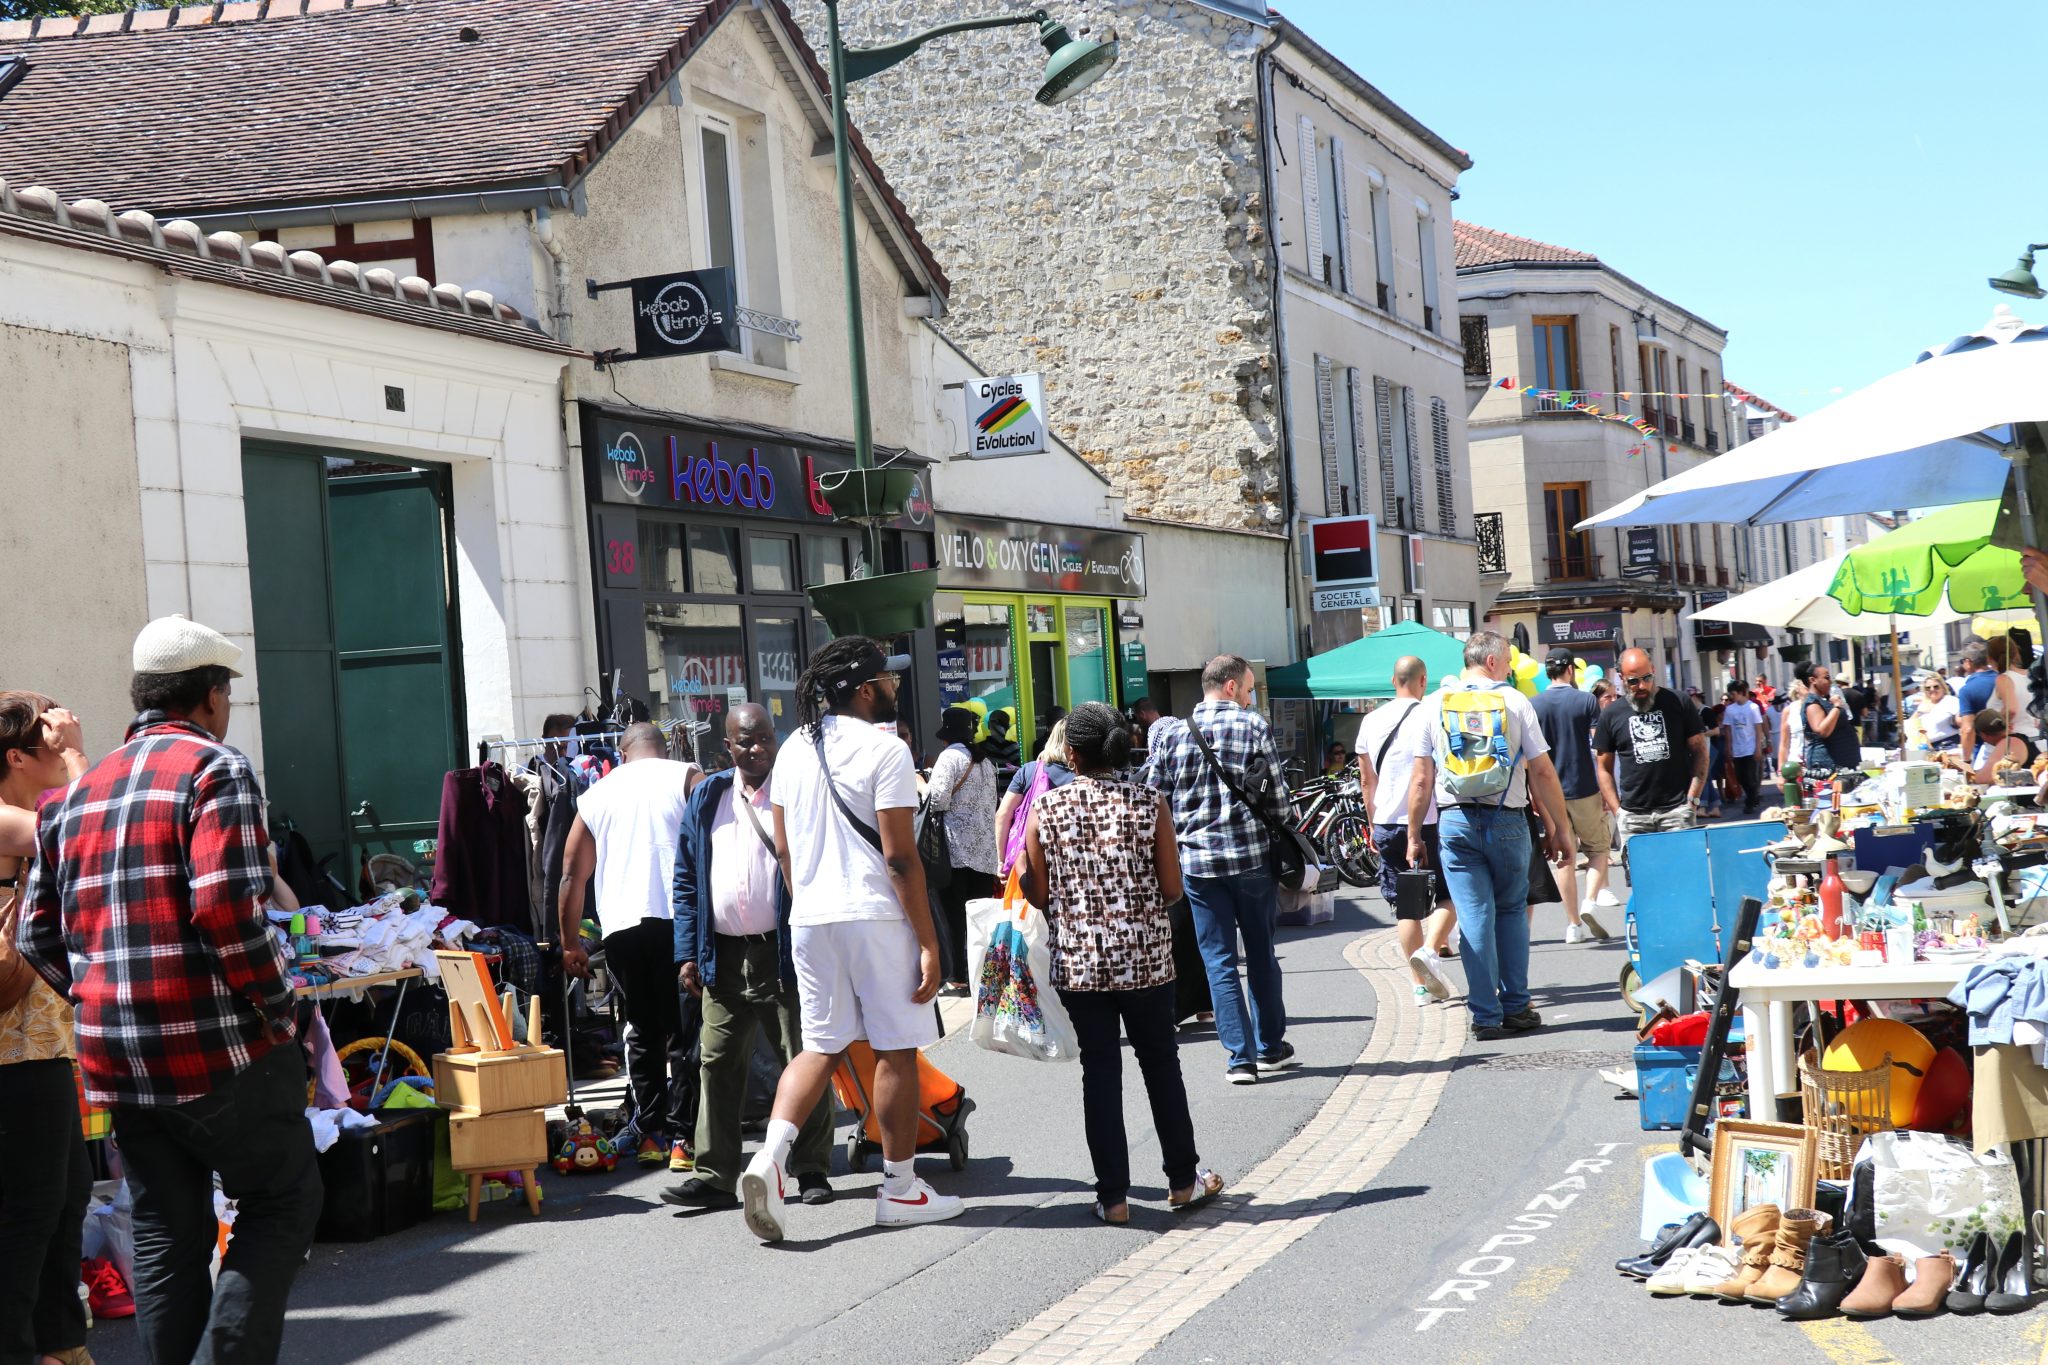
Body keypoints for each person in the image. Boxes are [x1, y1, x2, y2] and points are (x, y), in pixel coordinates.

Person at [20, 616, 320, 1365]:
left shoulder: (77, 793)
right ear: (212, 696)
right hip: (217, 1053)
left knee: (164, 1230)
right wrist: (279, 1006)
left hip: (117, 1059)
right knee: (283, 1197)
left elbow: (33, 938)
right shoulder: (215, 767)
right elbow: (225, 909)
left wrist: (100, 994)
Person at [742, 637, 960, 1242]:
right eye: (887, 679)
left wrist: (809, 896)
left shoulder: (791, 752)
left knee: (820, 1045)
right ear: (866, 690)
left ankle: (769, 1159)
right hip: (873, 915)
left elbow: (783, 850)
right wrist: (928, 943)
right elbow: (900, 859)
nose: (893, 686)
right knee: (893, 1047)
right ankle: (900, 1188)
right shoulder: (884, 750)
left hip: (811, 917)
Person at [1020, 702, 1224, 1224]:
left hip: (1082, 964)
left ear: (1072, 753)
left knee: (1101, 1073)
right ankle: (1182, 1180)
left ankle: (1113, 1197)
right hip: (1146, 961)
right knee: (1161, 1066)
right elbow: (1174, 889)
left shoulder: (1047, 809)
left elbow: (1038, 894)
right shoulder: (1149, 803)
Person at [666, 705, 833, 1211]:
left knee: (798, 1059)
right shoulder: (708, 796)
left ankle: (811, 1169)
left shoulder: (794, 790)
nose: (756, 747)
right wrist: (688, 953)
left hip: (781, 952)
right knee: (716, 1064)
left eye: (763, 737)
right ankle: (716, 1173)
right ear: (728, 748)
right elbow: (686, 877)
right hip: (721, 955)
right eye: (745, 741)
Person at [1399, 631, 1574, 1043]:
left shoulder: (1434, 704)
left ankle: (1485, 1015)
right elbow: (1543, 772)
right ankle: (1516, 1007)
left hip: (1455, 820)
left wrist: (1413, 834)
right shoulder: (1515, 702)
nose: (1512, 668)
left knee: (1474, 914)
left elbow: (1422, 779)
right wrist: (1560, 828)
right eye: (1510, 661)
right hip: (1508, 819)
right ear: (1493, 663)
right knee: (1511, 910)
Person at [1143, 654, 1294, 1085]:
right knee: (1262, 955)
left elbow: (1155, 800)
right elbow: (1279, 801)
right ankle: (1269, 1048)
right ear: (1230, 686)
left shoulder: (1173, 736)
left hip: (1198, 865)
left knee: (1219, 961)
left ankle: (1239, 1059)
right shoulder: (1253, 726)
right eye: (1247, 689)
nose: (1249, 698)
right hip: (1250, 860)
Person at [559, 723, 704, 1170]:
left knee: (641, 1029)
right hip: (680, 921)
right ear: (663, 749)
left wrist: (570, 945)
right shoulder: (688, 777)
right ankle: (684, 1139)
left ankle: (651, 1136)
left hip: (623, 924)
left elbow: (571, 875)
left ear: (623, 754)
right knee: (685, 1031)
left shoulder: (599, 793)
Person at [0, 694, 91, 1365]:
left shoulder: (32, 817)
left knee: (66, 1199)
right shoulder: (9, 821)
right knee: (31, 1209)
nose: (59, 753)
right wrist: (80, 755)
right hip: (12, 1048)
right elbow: (93, 829)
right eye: (48, 744)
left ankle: (61, 1343)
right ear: (16, 757)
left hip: (44, 1040)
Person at [1355, 655, 1459, 1004]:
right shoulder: (1432, 714)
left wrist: (1372, 821)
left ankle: (1419, 987)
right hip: (1429, 820)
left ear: (1393, 679)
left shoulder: (1370, 720)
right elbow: (1428, 776)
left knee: (1406, 906)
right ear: (1423, 680)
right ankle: (1430, 950)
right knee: (1449, 893)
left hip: (1385, 821)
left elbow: (1366, 780)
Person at [1530, 649, 1613, 942]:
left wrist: (1535, 796)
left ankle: (1573, 925)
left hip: (1550, 792)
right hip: (1585, 787)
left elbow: (1531, 758)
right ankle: (1590, 901)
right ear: (1570, 670)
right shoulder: (1586, 700)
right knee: (1598, 849)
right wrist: (1607, 788)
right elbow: (1597, 748)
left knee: (1564, 858)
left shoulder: (1534, 704)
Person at [1594, 647, 1709, 838]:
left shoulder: (1679, 702)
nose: (1642, 686)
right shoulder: (1611, 714)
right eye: (1633, 681)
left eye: (1647, 678)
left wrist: (1692, 800)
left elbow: (1700, 751)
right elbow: (1603, 768)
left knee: (1684, 867)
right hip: (1633, 817)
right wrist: (1618, 812)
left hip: (1677, 811)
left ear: (1654, 670)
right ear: (1621, 678)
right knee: (1639, 869)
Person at [925, 706, 1000, 996]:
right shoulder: (986, 761)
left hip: (955, 851)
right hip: (983, 851)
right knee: (980, 916)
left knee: (955, 915)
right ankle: (984, 973)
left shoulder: (950, 757)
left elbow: (938, 801)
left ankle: (960, 974)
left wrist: (922, 784)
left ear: (947, 736)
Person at [994, 718, 1073, 879]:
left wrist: (1001, 861)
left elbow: (1003, 815)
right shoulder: (1082, 774)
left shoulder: (1029, 771)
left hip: (1031, 859)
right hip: (1072, 857)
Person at [1802, 665, 1862, 777]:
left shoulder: (1824, 700)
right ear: (1813, 680)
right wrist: (1837, 706)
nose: (1830, 681)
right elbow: (1822, 730)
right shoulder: (1813, 703)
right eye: (1827, 677)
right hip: (1829, 765)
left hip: (1843, 763)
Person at [1944, 708, 2028, 785]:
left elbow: (1983, 779)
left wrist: (1962, 768)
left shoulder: (2009, 743)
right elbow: (1984, 774)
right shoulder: (2016, 739)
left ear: (1984, 735)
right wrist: (1960, 766)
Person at [1987, 636, 2039, 756]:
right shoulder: (2031, 675)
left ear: (1989, 658)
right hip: (2037, 740)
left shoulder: (2004, 679)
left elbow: (2011, 709)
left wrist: (1994, 725)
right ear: (2016, 653)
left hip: (2016, 745)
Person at [1721, 680, 1767, 816]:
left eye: (1733, 693)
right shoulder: (1730, 709)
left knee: (1750, 776)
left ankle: (1750, 802)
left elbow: (1758, 729)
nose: (1731, 696)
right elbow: (1728, 730)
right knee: (1740, 777)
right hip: (1737, 749)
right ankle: (1753, 796)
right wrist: (1728, 747)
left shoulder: (1752, 707)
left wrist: (1758, 748)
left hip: (1750, 747)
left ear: (1741, 692)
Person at [1956, 640, 1997, 758]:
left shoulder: (1967, 690)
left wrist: (1966, 760)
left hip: (1984, 750)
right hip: (2012, 743)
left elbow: (1968, 729)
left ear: (1968, 662)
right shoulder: (2003, 679)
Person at [1918, 673, 1962, 751]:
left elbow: (1962, 723)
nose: (1932, 689)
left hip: (1949, 746)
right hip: (1927, 748)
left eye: (1936, 687)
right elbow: (1912, 724)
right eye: (1928, 688)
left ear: (1943, 687)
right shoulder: (1923, 705)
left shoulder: (1951, 701)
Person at [1698, 700, 1727, 820]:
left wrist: (1701, 735)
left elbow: (1716, 731)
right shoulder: (1694, 712)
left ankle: (1702, 807)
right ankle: (1715, 807)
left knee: (1703, 777)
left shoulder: (1705, 711)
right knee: (1707, 777)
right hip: (1703, 749)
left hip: (1710, 748)